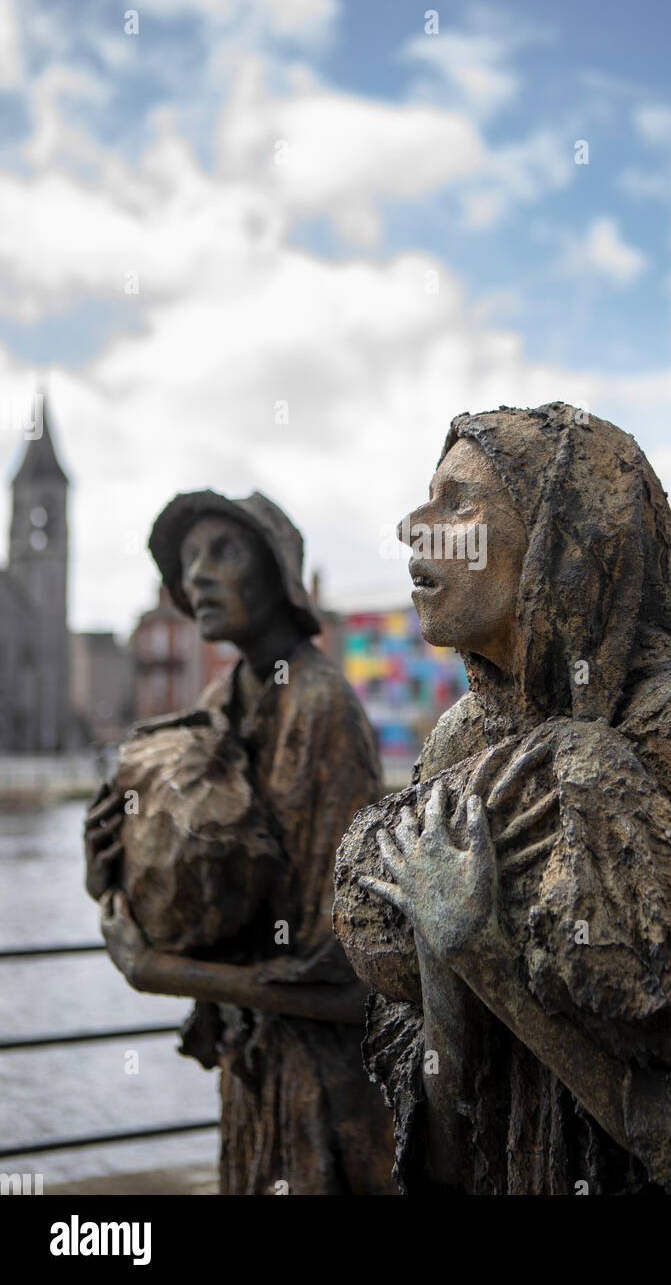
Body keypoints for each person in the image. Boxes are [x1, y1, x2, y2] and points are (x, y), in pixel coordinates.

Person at [333, 403, 671, 1195]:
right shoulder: (460, 742)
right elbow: (447, 1129)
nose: (412, 526)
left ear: (563, 540)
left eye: (460, 503)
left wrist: (478, 954)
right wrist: (440, 958)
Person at [85, 490, 394, 1195]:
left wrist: (157, 971)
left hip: (325, 1088)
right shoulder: (221, 702)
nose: (198, 574)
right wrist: (114, 875)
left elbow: (346, 981)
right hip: (250, 1067)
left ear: (280, 574)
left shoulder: (322, 709)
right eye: (189, 559)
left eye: (224, 552)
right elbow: (216, 904)